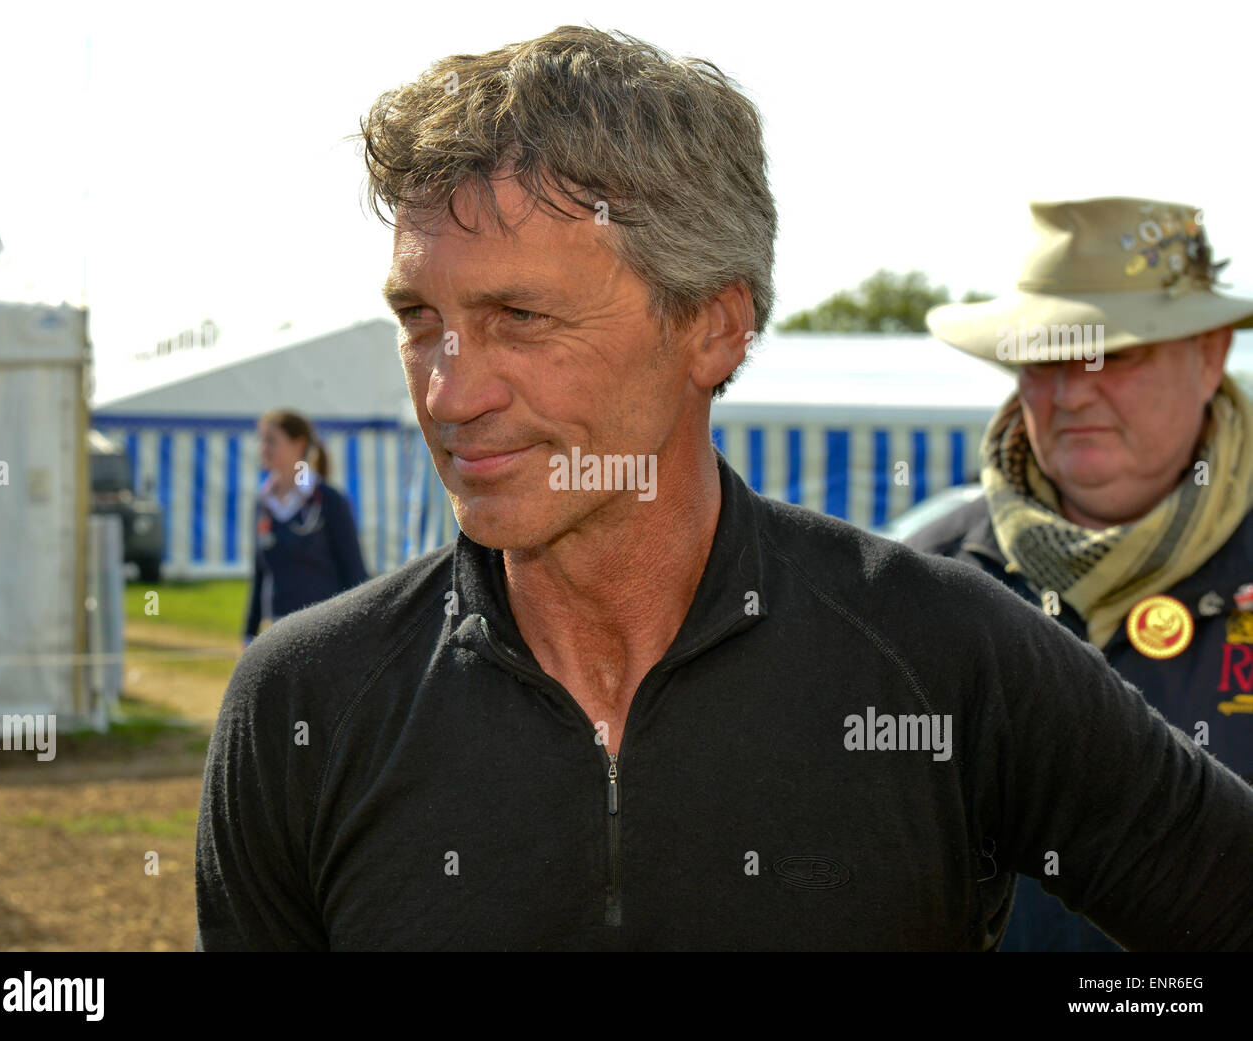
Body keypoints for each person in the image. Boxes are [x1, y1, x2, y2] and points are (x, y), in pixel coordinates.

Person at [196, 28, 1253, 951]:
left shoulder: (947, 653)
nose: (451, 390)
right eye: (420, 319)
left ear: (713, 327)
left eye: (523, 318)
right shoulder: (300, 705)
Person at [906, 196, 1253, 951]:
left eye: (1111, 353)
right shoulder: (919, 582)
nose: (1071, 390)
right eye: (1043, 356)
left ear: (1209, 353)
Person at [242, 408, 368, 646]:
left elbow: (355, 571)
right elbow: (260, 573)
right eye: (262, 440)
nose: (263, 448)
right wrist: (248, 632)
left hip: (325, 630)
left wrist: (358, 631)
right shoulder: (263, 502)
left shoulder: (328, 501)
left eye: (271, 441)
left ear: (298, 444)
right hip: (277, 631)